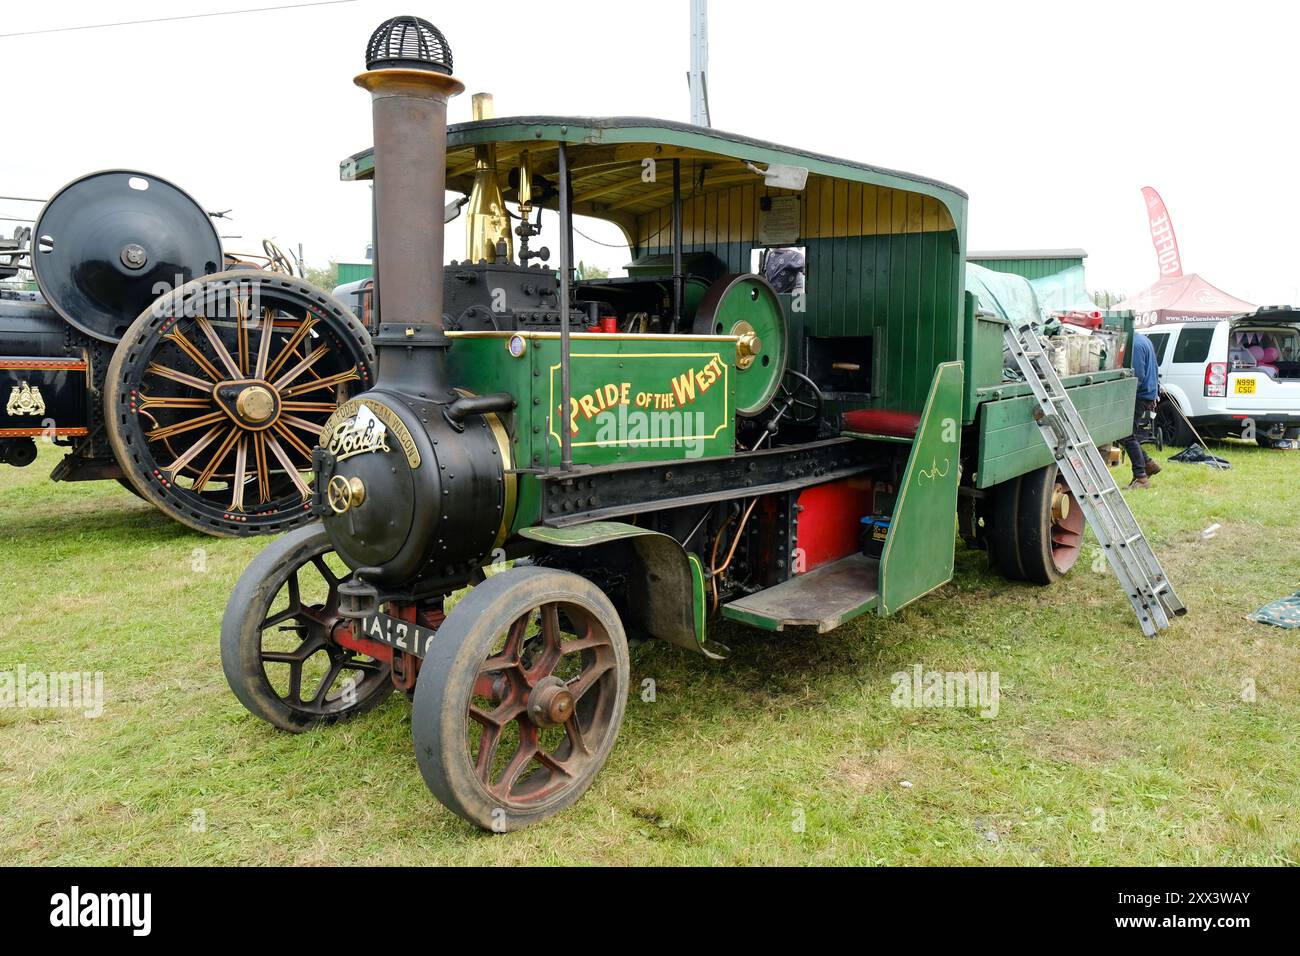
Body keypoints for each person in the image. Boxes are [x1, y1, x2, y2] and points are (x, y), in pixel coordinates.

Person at [1120, 332, 1162, 488]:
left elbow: (1137, 376)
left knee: (1125, 434)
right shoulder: (1144, 340)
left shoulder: (1135, 345)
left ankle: (1141, 477)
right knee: (1125, 434)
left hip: (1140, 394)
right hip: (1147, 392)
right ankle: (1148, 464)